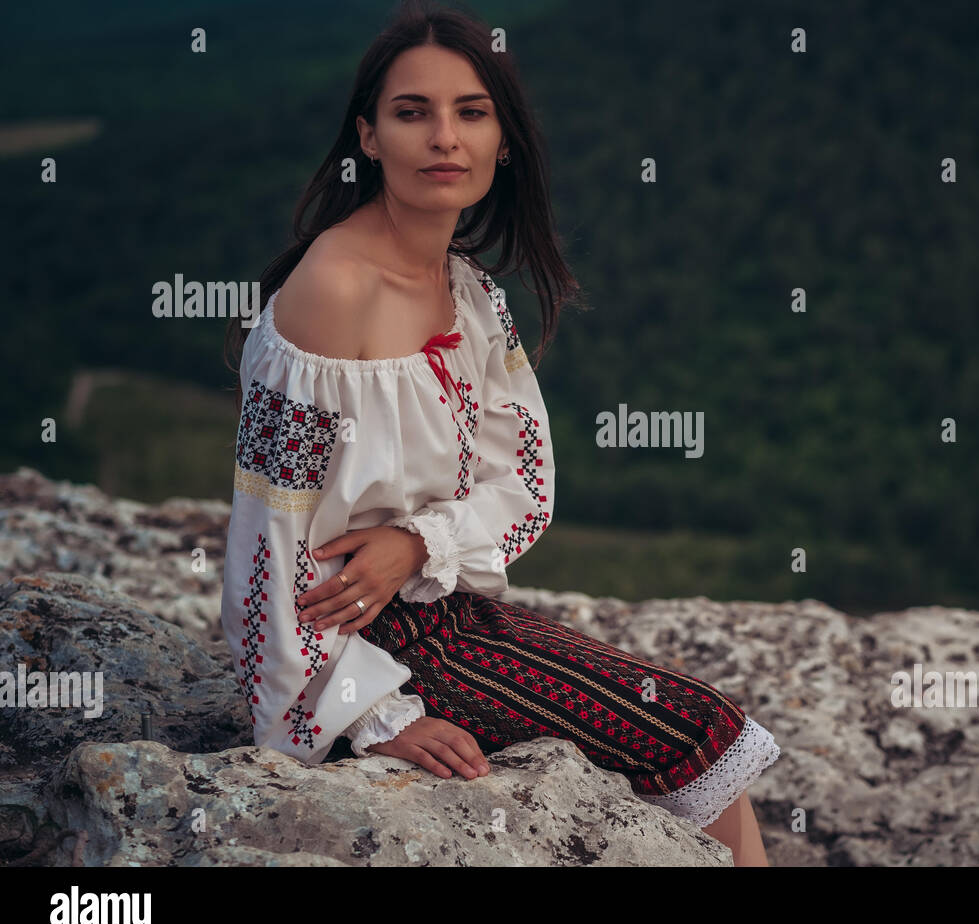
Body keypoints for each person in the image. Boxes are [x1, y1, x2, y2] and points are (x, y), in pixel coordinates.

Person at [220, 0, 780, 866]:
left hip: (443, 606)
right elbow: (266, 551)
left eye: (470, 113)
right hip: (362, 649)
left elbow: (522, 483)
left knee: (701, 724)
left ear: (503, 141)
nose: (444, 137)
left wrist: (417, 542)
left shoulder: (467, 290)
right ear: (367, 137)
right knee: (691, 727)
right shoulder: (334, 289)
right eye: (413, 113)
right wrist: (375, 717)